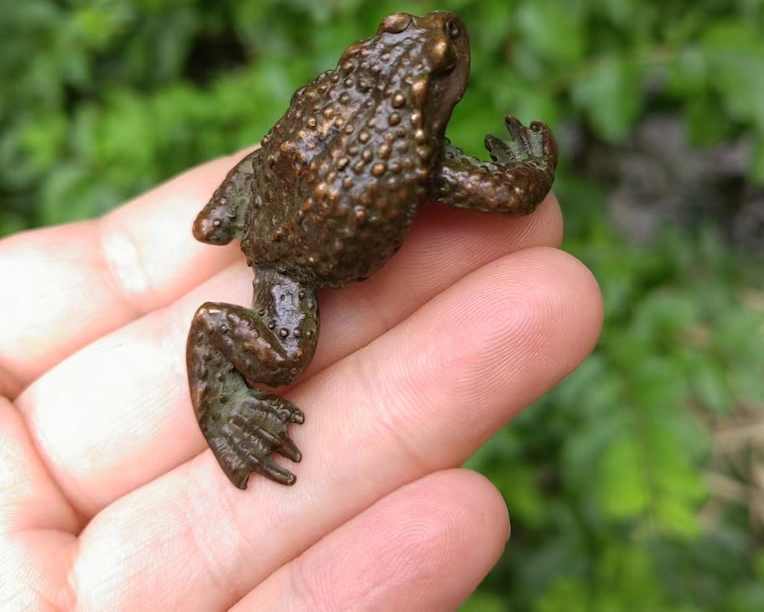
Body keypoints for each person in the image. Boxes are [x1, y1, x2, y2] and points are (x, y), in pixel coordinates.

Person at [0, 150, 602, 610]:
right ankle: (221, 388)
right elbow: (512, 195)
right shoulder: (425, 155)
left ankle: (234, 217)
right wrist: (530, 166)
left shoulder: (408, 147)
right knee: (286, 359)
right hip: (290, 264)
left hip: (276, 193)